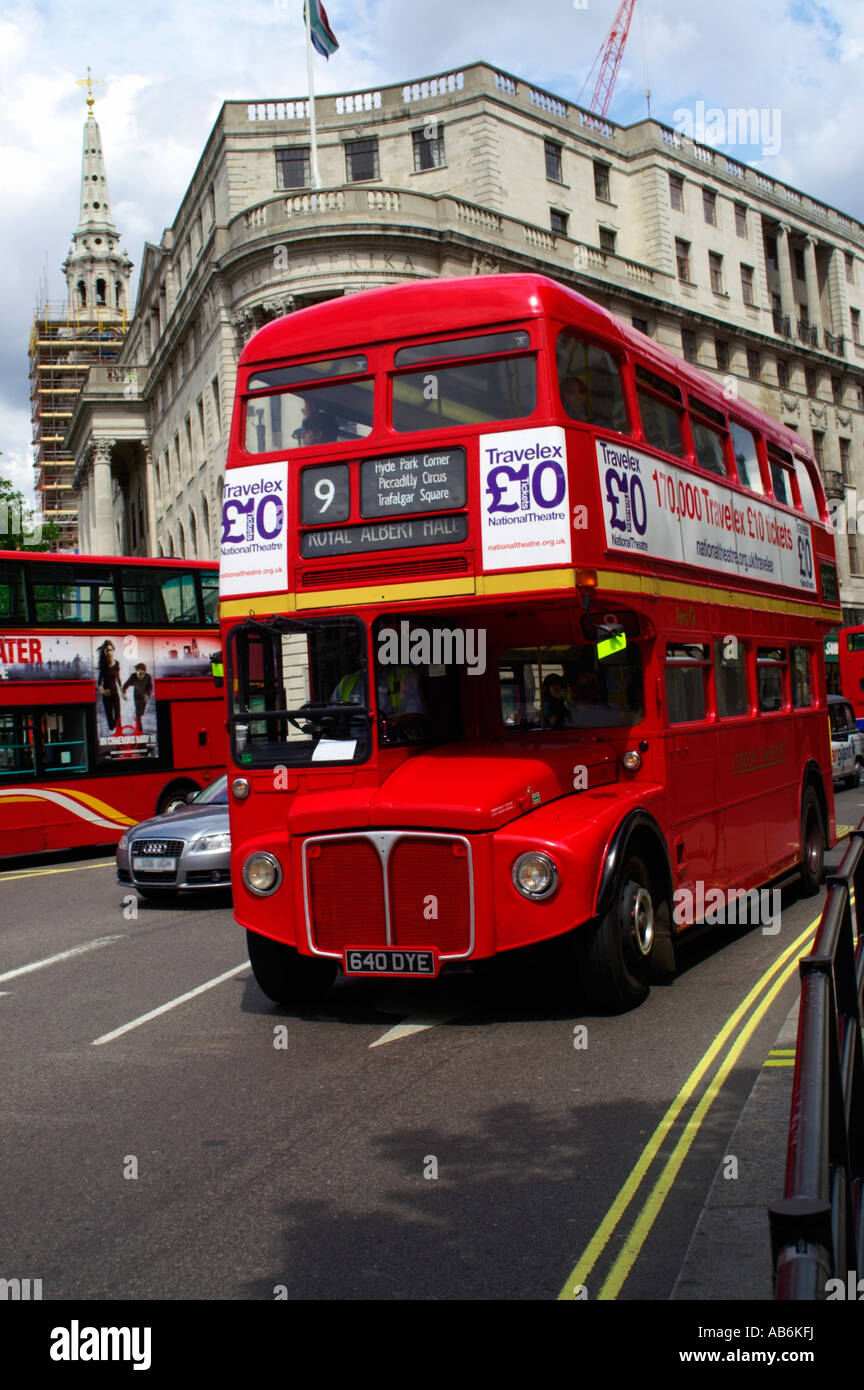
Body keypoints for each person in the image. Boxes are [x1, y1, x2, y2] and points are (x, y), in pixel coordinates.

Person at [95, 640, 122, 732]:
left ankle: (120, 738)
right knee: (111, 724)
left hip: (115, 693)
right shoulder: (103, 666)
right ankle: (112, 730)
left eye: (110, 650)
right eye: (107, 651)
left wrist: (122, 690)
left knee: (118, 717)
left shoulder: (117, 663)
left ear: (113, 650)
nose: (109, 652)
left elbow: (118, 678)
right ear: (105, 652)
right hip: (106, 696)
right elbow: (99, 684)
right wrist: (103, 691)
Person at [122, 663, 153, 729]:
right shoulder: (133, 676)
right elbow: (125, 686)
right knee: (138, 714)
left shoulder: (148, 677)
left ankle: (138, 715)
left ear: (145, 672)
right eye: (139, 674)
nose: (140, 676)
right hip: (136, 696)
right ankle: (140, 730)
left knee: (142, 713)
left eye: (142, 674)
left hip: (144, 696)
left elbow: (150, 687)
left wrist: (147, 695)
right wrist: (124, 694)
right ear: (136, 672)